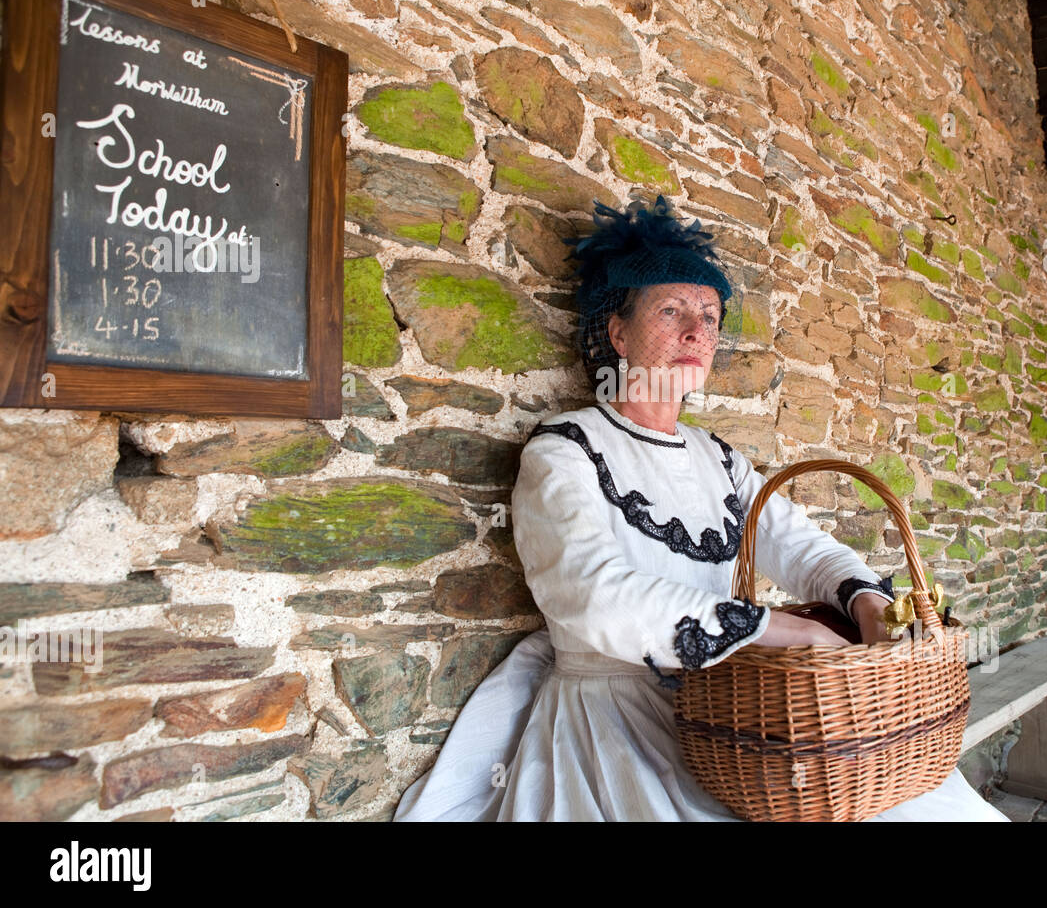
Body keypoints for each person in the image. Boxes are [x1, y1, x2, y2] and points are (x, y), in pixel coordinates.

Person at [393, 196, 1008, 822]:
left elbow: (796, 544)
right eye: (671, 311)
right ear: (618, 332)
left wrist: (865, 602)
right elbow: (591, 593)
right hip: (620, 715)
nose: (696, 332)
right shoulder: (566, 449)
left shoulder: (718, 459)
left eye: (710, 317)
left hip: (737, 707)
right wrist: (781, 629)